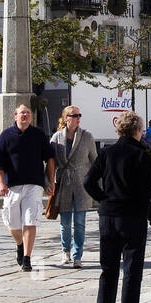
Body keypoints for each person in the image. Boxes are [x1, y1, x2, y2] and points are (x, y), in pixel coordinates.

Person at [84, 110, 151, 303]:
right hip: (133, 216)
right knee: (132, 273)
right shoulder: (141, 154)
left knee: (108, 271)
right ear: (137, 130)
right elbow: (149, 192)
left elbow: (88, 181)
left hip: (108, 216)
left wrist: (104, 199)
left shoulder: (107, 153)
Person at [0, 104, 57, 272]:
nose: (25, 115)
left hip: (34, 185)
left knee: (31, 220)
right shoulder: (6, 136)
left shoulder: (38, 135)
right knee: (13, 223)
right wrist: (1, 182)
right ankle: (20, 244)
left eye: (28, 113)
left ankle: (27, 258)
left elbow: (50, 158)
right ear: (15, 116)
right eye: (22, 113)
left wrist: (50, 181)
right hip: (12, 186)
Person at [50, 105, 98, 268]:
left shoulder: (87, 137)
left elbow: (95, 162)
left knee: (79, 222)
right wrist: (48, 182)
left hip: (81, 184)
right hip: (64, 183)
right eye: (74, 115)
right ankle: (65, 251)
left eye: (79, 115)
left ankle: (78, 255)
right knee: (65, 222)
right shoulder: (56, 137)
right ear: (65, 118)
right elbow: (50, 163)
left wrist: (98, 185)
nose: (78, 118)